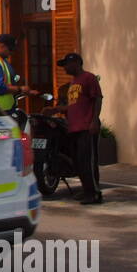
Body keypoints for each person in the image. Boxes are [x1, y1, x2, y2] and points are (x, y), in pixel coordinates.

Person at [51, 52, 103, 205]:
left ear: (76, 63)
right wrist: (55, 110)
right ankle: (86, 190)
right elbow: (74, 106)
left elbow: (97, 99)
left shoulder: (88, 78)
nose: (65, 68)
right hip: (74, 127)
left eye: (66, 64)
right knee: (79, 162)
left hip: (87, 126)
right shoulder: (73, 83)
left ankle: (94, 193)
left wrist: (94, 121)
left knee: (88, 161)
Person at [0, 33, 36, 113]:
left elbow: (8, 83)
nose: (11, 53)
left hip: (2, 109)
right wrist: (20, 89)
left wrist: (25, 92)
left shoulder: (0, 59)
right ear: (2, 45)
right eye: (10, 50)